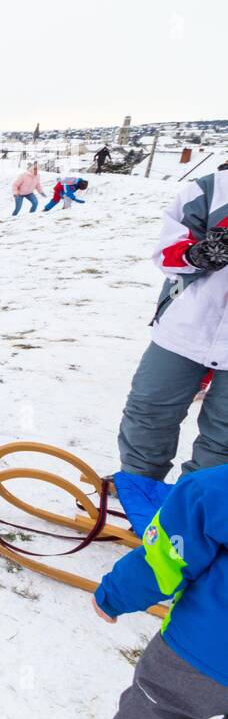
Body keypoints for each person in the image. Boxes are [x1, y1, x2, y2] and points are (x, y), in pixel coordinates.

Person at [117, 164, 228, 481]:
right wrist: (198, 255)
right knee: (150, 409)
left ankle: (198, 504)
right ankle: (137, 484)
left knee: (225, 435)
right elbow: (166, 251)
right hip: (185, 326)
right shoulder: (209, 190)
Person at [92, 466, 228, 719]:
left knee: (160, 709)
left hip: (200, 654)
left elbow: (166, 558)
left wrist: (115, 594)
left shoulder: (214, 488)